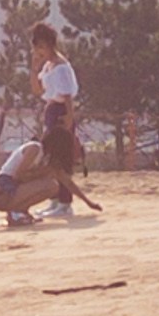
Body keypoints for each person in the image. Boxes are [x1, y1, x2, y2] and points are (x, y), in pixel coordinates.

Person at [29, 20, 101, 224]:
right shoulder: (49, 66)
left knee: (60, 159)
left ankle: (64, 202)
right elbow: (38, 90)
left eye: (42, 47)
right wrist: (34, 69)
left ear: (51, 45)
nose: (39, 51)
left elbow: (67, 95)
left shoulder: (61, 66)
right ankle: (55, 199)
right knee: (50, 158)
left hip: (60, 111)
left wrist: (69, 118)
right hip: (51, 110)